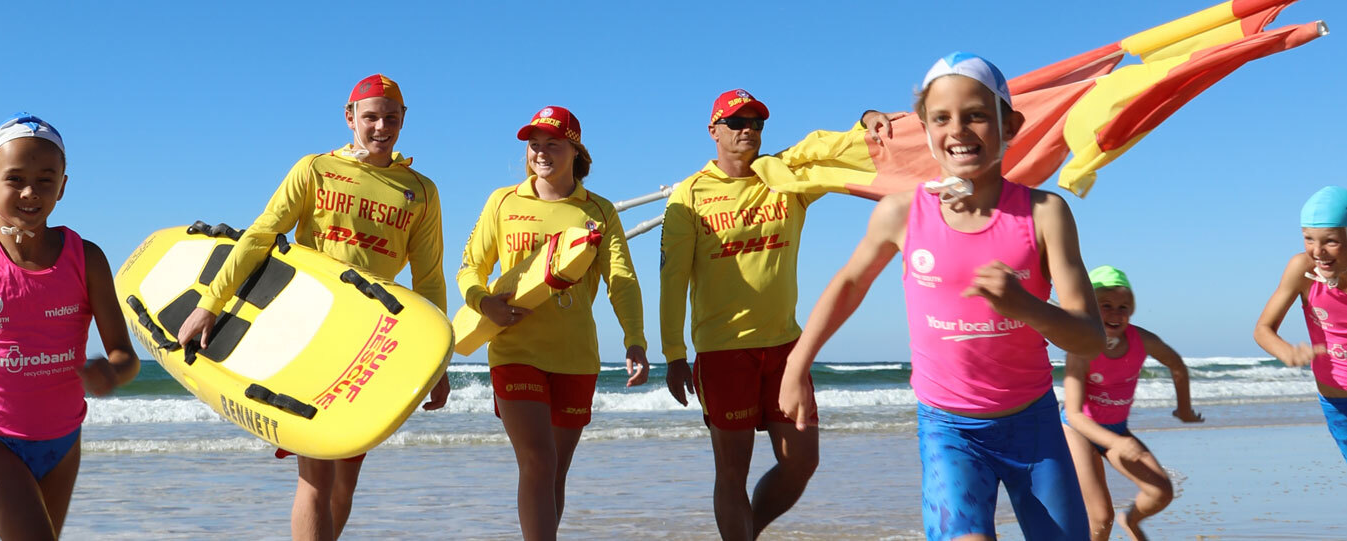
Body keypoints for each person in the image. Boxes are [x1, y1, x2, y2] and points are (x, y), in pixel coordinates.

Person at [777, 53, 1104, 540]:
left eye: (975, 115)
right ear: (926, 131)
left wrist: (1026, 306)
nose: (959, 130)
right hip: (949, 429)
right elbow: (849, 285)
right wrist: (797, 365)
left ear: (1009, 124)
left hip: (1033, 424)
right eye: (942, 118)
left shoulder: (1044, 213)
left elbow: (1090, 337)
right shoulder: (902, 213)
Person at [173, 74, 450, 541]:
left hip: (373, 338)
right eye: (370, 118)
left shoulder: (420, 191)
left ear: (404, 121)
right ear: (349, 117)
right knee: (317, 473)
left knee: (346, 477)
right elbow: (259, 236)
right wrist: (209, 303)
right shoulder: (315, 169)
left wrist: (437, 360)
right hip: (311, 328)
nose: (380, 127)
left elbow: (428, 279)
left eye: (391, 119)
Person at [659, 89, 891, 540]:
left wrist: (865, 121)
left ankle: (748, 530)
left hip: (786, 346)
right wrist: (673, 354)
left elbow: (823, 145)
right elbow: (673, 281)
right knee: (732, 472)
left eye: (757, 122)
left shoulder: (782, 175)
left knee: (802, 460)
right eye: (736, 121)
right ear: (713, 131)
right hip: (723, 351)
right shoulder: (688, 196)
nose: (748, 129)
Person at [0, 114, 141, 539]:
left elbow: (125, 356)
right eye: (15, 179)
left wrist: (113, 371)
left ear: (63, 187)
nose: (30, 192)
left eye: (45, 179)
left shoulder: (86, 259)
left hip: (65, 442)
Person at [458, 105, 649, 541]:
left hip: (575, 356)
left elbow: (622, 280)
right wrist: (484, 303)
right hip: (514, 349)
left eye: (552, 144)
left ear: (575, 150)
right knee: (539, 461)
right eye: (534, 144)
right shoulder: (503, 201)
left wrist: (635, 339)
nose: (540, 153)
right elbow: (470, 268)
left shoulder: (598, 211)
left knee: (555, 473)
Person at [1060, 265, 1201, 541]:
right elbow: (1075, 415)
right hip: (1079, 431)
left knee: (1161, 492)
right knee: (1101, 517)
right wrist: (1117, 443)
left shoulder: (1142, 340)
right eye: (1106, 305)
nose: (1116, 313)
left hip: (1116, 429)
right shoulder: (1082, 348)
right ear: (1090, 306)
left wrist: (1183, 408)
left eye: (1123, 306)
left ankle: (1132, 521)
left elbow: (1176, 365)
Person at [1252, 185, 1347, 464]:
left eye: (1330, 241)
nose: (1317, 251)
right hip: (1336, 403)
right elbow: (1263, 329)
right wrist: (1286, 351)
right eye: (1308, 239)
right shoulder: (1301, 270)